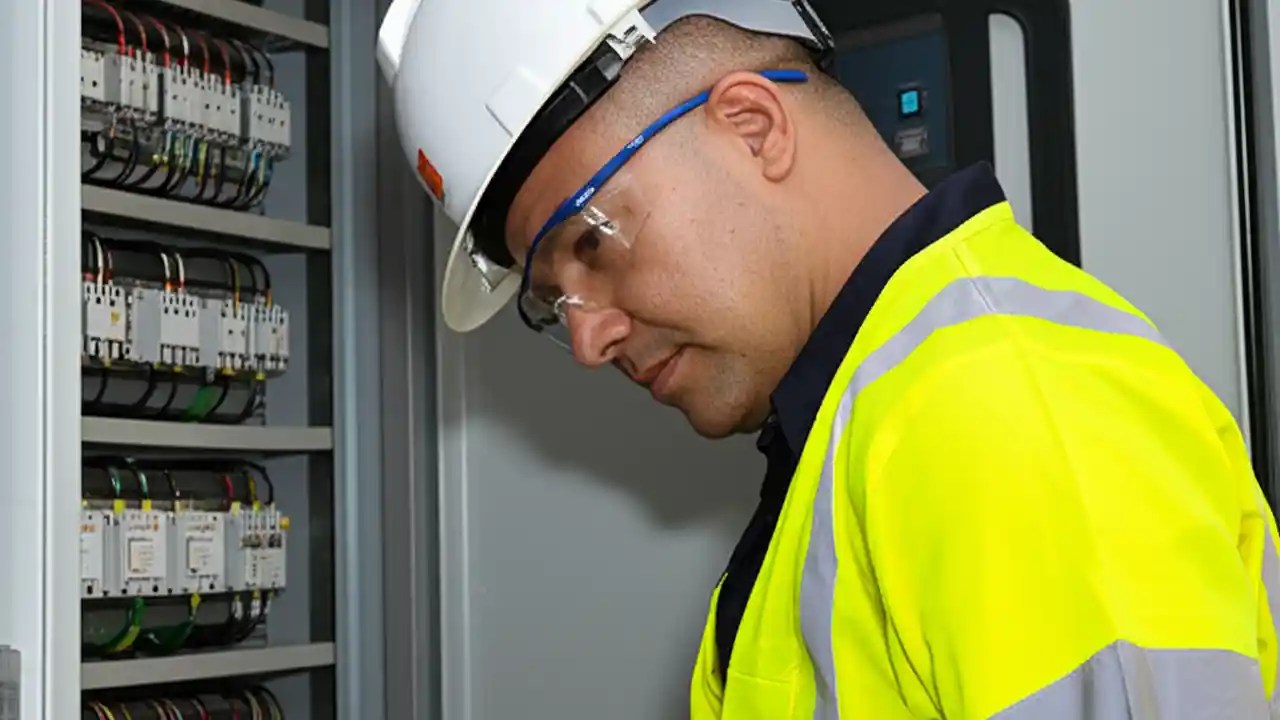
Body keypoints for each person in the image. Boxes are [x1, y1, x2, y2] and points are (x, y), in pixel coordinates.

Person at [379, 0, 1280, 717]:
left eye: (595, 244)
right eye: (553, 302)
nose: (587, 339)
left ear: (753, 125)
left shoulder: (1002, 407)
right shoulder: (861, 431)